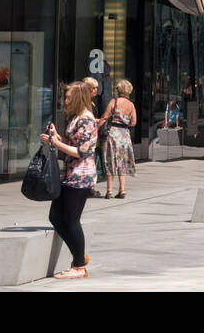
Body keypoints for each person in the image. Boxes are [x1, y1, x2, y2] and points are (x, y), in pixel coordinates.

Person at [40, 80, 98, 279]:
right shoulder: (76, 118)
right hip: (70, 174)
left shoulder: (86, 120)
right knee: (56, 217)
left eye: (68, 97)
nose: (65, 101)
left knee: (72, 220)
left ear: (78, 98)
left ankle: (79, 266)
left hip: (81, 175)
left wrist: (56, 143)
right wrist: (56, 138)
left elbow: (82, 152)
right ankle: (79, 254)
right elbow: (72, 145)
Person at [98, 78, 137, 199]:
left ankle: (109, 190)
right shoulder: (131, 105)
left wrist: (97, 128)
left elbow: (105, 117)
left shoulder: (114, 101)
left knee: (109, 159)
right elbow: (133, 122)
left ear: (119, 90)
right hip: (124, 135)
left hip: (112, 133)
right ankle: (122, 190)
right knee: (122, 161)